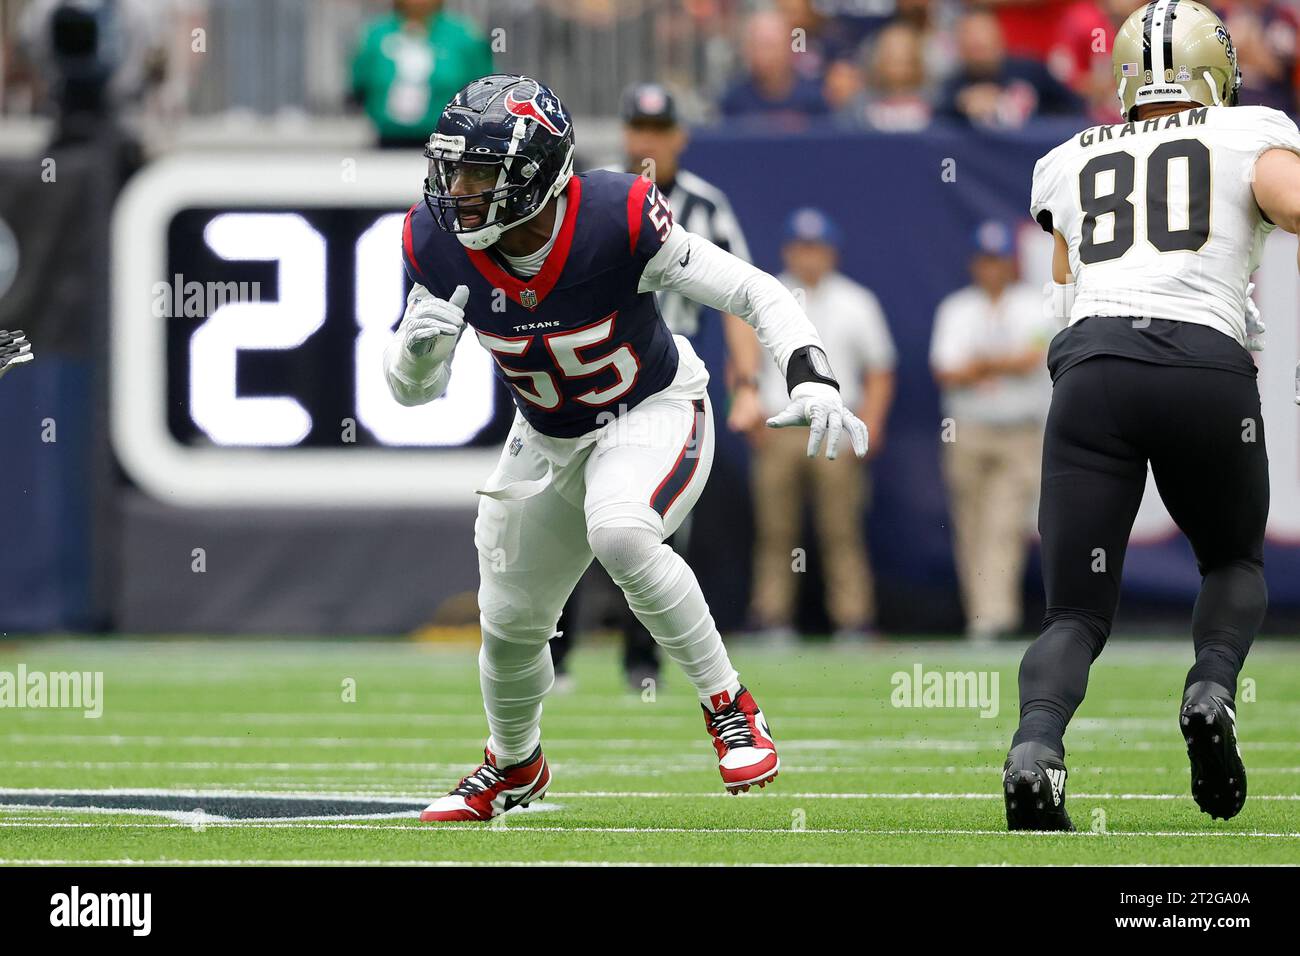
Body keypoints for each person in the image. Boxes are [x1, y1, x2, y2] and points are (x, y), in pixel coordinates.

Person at [387, 74, 869, 821]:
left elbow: (753, 291)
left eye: (480, 173)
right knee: (510, 623)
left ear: (535, 177)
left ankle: (729, 705)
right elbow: (411, 395)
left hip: (653, 408)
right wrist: (415, 360)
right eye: (453, 167)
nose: (459, 189)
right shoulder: (431, 241)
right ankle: (514, 765)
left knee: (619, 527)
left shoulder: (616, 218)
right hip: (548, 436)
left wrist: (811, 376)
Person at [1004, 0, 1300, 831]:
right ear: (1216, 72)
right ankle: (1210, 687)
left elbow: (1068, 267)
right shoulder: (1248, 131)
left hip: (1093, 371)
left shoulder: (1065, 158)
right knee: (1233, 564)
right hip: (1203, 367)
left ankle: (1037, 750)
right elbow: (1292, 203)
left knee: (1073, 613)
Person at [549, 82, 764, 692]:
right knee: (570, 519)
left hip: (664, 389)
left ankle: (642, 663)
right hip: (589, 381)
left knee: (656, 529)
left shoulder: (705, 206)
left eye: (658, 129)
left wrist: (745, 384)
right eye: (637, 129)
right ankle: (558, 660)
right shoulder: (592, 196)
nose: (647, 141)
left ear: (678, 137)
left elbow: (741, 297)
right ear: (626, 134)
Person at [750, 208, 896, 640]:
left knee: (842, 528)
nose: (809, 257)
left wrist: (873, 421)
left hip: (836, 427)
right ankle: (771, 617)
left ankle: (852, 618)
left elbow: (880, 369)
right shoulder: (766, 295)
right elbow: (744, 363)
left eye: (816, 248)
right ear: (788, 250)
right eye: (801, 248)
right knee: (776, 530)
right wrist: (753, 414)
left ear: (831, 253)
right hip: (781, 428)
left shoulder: (857, 301)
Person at [930, 221, 1054, 643]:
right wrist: (998, 363)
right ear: (974, 264)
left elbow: (1030, 359)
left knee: (1003, 523)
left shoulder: (1033, 305)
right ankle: (981, 615)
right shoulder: (957, 308)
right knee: (970, 525)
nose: (992, 268)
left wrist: (980, 364)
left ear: (1010, 263)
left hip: (1019, 432)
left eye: (999, 260)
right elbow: (947, 371)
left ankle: (994, 617)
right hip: (968, 431)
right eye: (985, 260)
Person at [350, 0, 493, 149]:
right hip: (387, 141)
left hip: (449, 145)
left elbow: (483, 88)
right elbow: (359, 83)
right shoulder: (375, 34)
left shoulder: (465, 35)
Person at [935, 9, 1084, 127]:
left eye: (984, 44)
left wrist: (1028, 117)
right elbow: (933, 120)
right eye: (972, 46)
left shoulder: (1030, 70)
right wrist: (961, 104)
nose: (978, 46)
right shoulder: (954, 85)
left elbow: (1075, 105)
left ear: (1000, 40)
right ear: (961, 49)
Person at [719, 10, 829, 126]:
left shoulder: (814, 99)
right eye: (755, 45)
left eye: (769, 46)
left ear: (787, 47)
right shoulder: (734, 101)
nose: (762, 54)